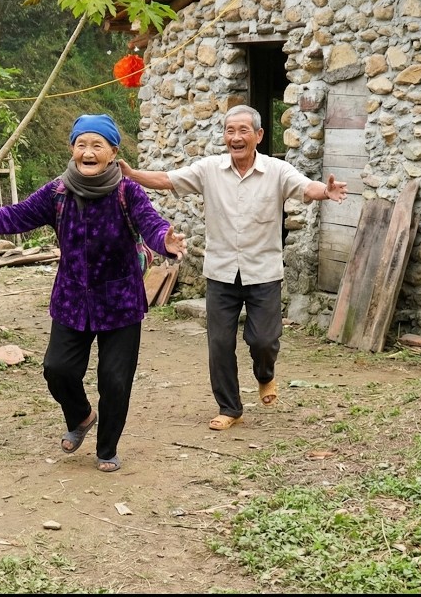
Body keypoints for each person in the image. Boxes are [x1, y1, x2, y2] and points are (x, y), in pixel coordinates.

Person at [0, 114, 185, 473]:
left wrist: (165, 240)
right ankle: (81, 416)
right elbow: (18, 215)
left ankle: (106, 447)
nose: (88, 151)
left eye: (97, 145)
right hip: (72, 299)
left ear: (113, 152)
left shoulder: (127, 191)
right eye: (81, 144)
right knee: (57, 369)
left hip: (120, 302)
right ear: (71, 149)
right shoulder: (57, 192)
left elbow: (151, 223)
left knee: (115, 379)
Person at [119, 104, 347, 431]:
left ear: (259, 135)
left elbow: (305, 187)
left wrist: (325, 191)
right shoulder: (210, 169)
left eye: (243, 131)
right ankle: (230, 407)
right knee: (220, 344)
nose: (236, 137)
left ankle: (265, 375)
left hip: (263, 273)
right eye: (230, 131)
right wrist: (132, 175)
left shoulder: (277, 171)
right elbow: (168, 180)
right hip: (222, 273)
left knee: (264, 340)